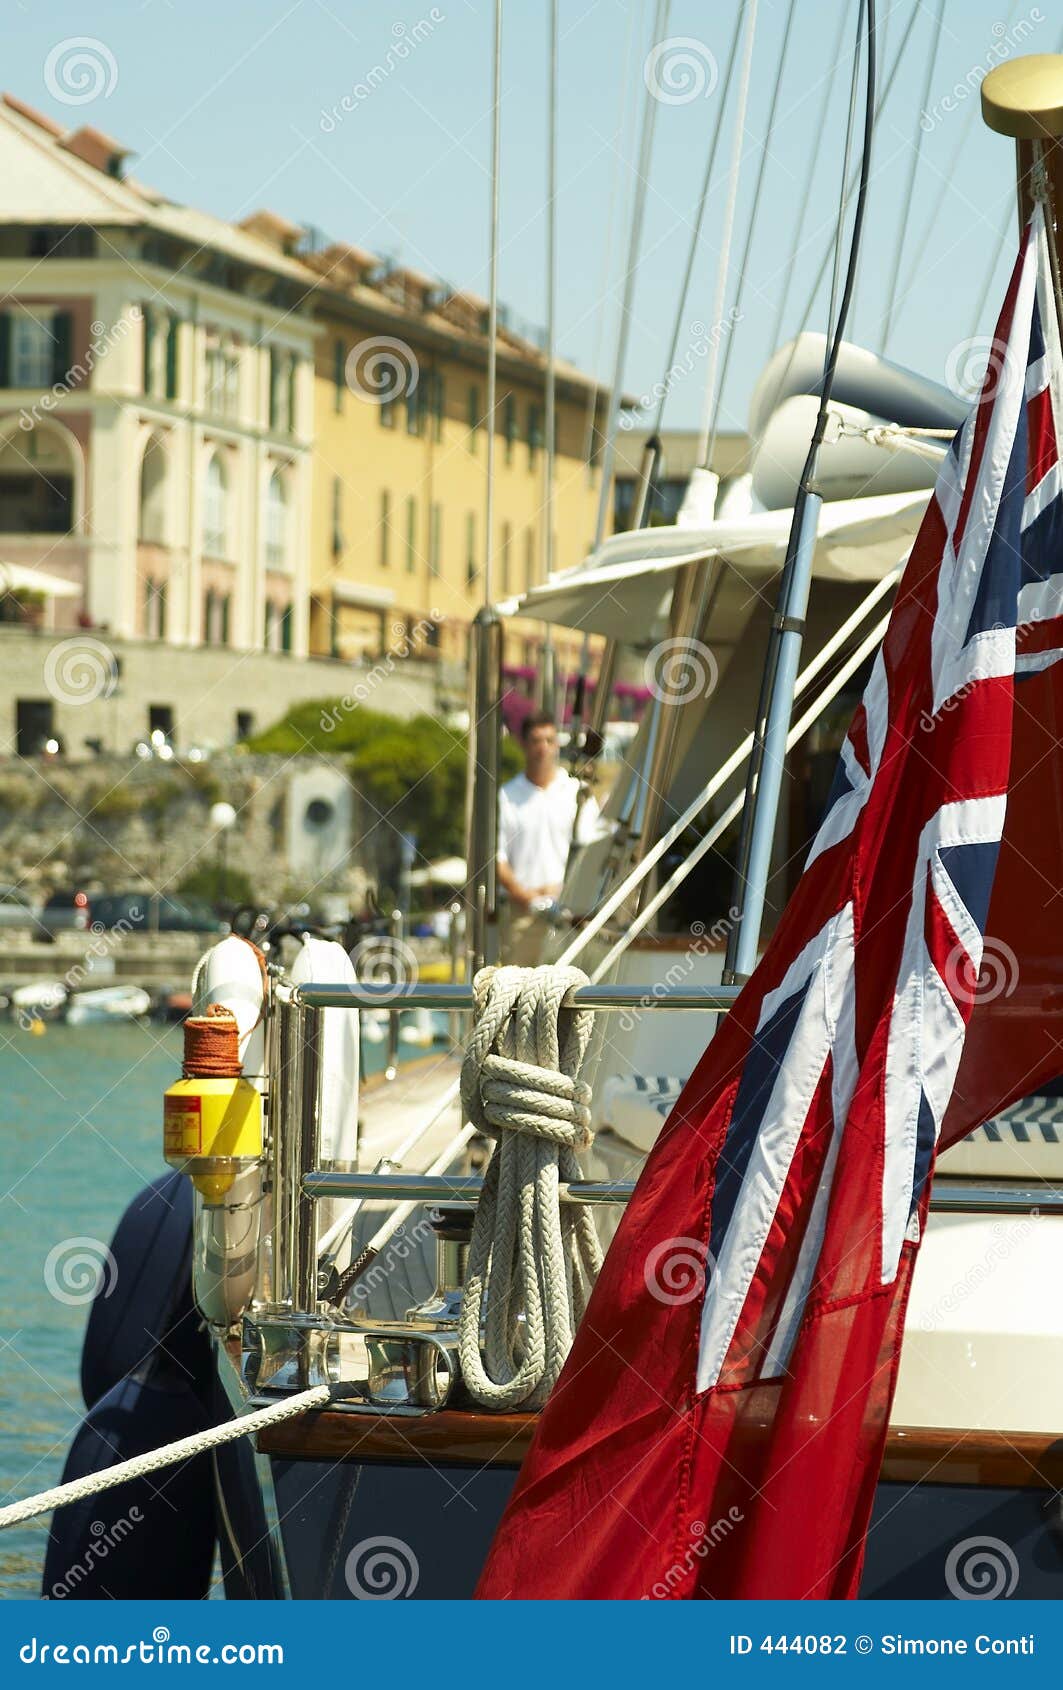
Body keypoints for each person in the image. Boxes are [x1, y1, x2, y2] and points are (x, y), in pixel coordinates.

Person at [496, 711, 602, 965]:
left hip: (570, 916)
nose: (543, 748)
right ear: (524, 744)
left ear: (557, 744)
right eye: (536, 741)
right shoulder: (506, 796)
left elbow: (593, 850)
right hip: (522, 918)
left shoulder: (577, 793)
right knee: (518, 997)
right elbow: (496, 859)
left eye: (549, 740)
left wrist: (565, 892)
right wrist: (529, 898)